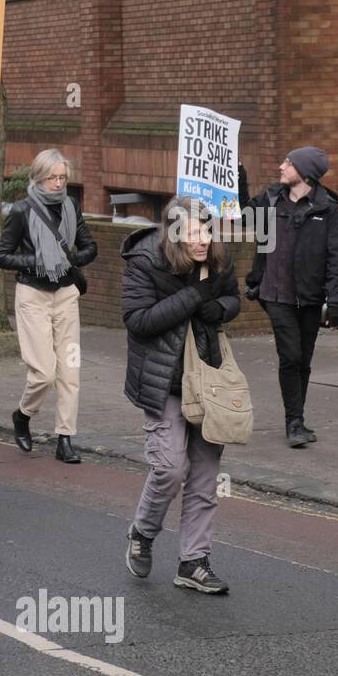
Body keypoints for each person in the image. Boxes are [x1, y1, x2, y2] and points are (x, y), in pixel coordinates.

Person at [121, 197, 239, 594]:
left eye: (207, 230)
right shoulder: (144, 262)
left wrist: (218, 307)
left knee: (205, 474)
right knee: (170, 468)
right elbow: (138, 322)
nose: (203, 239)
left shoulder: (217, 260)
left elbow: (234, 299)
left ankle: (194, 562)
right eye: (192, 233)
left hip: (207, 381)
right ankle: (143, 531)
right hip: (163, 380)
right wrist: (194, 296)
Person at [241, 147, 338, 448]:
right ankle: (294, 422)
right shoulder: (271, 200)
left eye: (288, 163)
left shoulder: (327, 209)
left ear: (305, 171)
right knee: (290, 356)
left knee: (304, 359)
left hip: (310, 298)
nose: (281, 166)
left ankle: (297, 416)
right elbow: (245, 218)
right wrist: (239, 181)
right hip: (275, 293)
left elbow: (337, 257)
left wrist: (336, 302)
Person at [0, 148, 97, 464]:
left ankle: (65, 438)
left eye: (62, 177)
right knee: (43, 372)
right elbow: (3, 255)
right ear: (38, 178)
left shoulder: (71, 206)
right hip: (33, 297)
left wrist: (73, 259)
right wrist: (37, 261)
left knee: (70, 371)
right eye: (52, 177)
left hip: (66, 295)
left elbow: (89, 246)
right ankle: (23, 415)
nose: (58, 183)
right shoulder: (21, 211)